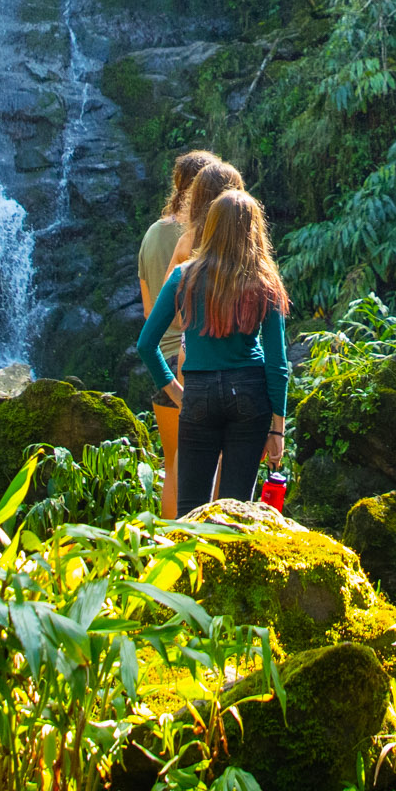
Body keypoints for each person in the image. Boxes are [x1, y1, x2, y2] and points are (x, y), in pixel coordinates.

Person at [136, 189, 292, 513]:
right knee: (236, 511)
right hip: (250, 396)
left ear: (211, 227)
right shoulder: (265, 281)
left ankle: (186, 564)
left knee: (190, 511)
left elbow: (146, 343)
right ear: (254, 231)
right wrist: (278, 428)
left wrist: (176, 390)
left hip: (199, 393)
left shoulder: (183, 276)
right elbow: (277, 363)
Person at [138, 150, 221, 518]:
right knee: (211, 468)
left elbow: (147, 313)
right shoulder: (211, 233)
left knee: (172, 466)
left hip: (162, 364)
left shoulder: (152, 235)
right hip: (196, 359)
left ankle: (168, 553)